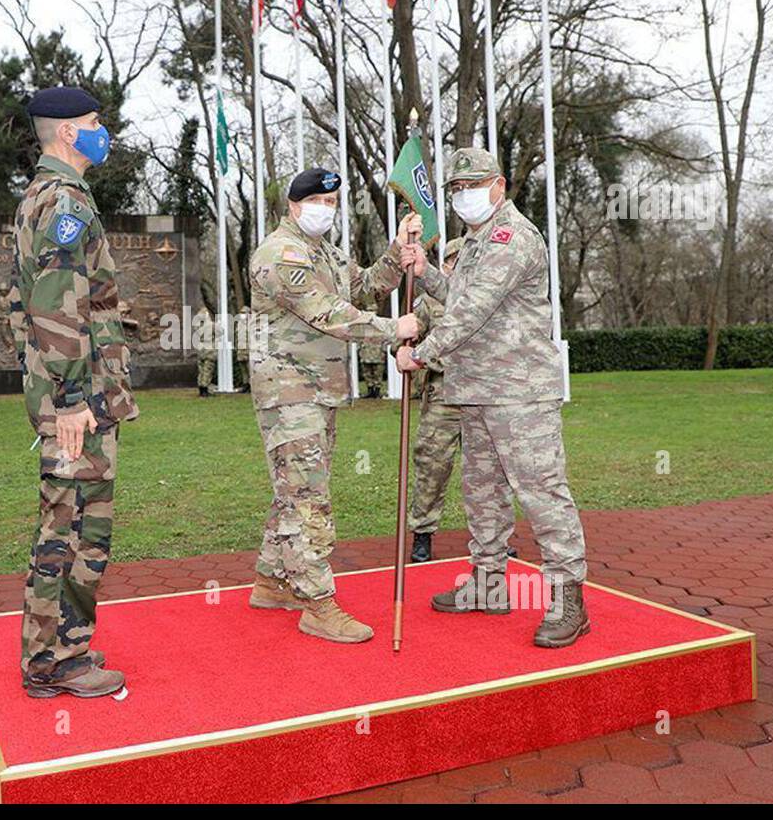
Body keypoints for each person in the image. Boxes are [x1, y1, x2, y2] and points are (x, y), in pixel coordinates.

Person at [396, 148, 589, 648]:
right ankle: (487, 583)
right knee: (482, 493)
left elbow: (472, 312)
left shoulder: (511, 237)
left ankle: (568, 597)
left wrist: (422, 354)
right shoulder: (479, 242)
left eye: (473, 185)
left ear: (499, 184)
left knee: (541, 492)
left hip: (518, 391)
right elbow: (461, 295)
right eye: (456, 189)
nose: (464, 196)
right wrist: (427, 270)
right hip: (477, 389)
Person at [249, 166, 422, 643]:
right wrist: (393, 329)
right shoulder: (281, 254)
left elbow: (363, 286)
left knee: (295, 487)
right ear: (293, 206)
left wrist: (396, 252)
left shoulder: (322, 250)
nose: (325, 210)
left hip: (316, 390)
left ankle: (272, 580)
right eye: (317, 203)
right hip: (289, 392)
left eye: (332, 204)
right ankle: (318, 604)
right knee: (307, 497)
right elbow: (326, 312)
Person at [11, 85, 138, 699]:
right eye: (94, 122)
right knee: (76, 527)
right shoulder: (64, 200)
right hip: (77, 402)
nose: (101, 131)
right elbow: (57, 306)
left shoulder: (45, 196)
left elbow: (29, 304)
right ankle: (56, 660)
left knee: (72, 521)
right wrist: (68, 401)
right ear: (67, 133)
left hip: (78, 394)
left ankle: (63, 640)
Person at [407, 238, 464, 563]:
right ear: (444, 266)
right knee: (432, 465)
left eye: (462, 261)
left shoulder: (487, 299)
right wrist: (409, 343)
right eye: (452, 261)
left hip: (481, 398)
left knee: (487, 471)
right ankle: (423, 535)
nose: (456, 266)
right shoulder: (428, 302)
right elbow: (404, 343)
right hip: (443, 397)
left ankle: (493, 538)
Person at [192, 304, 217, 396]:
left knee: (201, 370)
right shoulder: (211, 326)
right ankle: (205, 389)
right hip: (209, 351)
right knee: (207, 370)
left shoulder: (197, 327)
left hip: (200, 350)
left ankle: (201, 388)